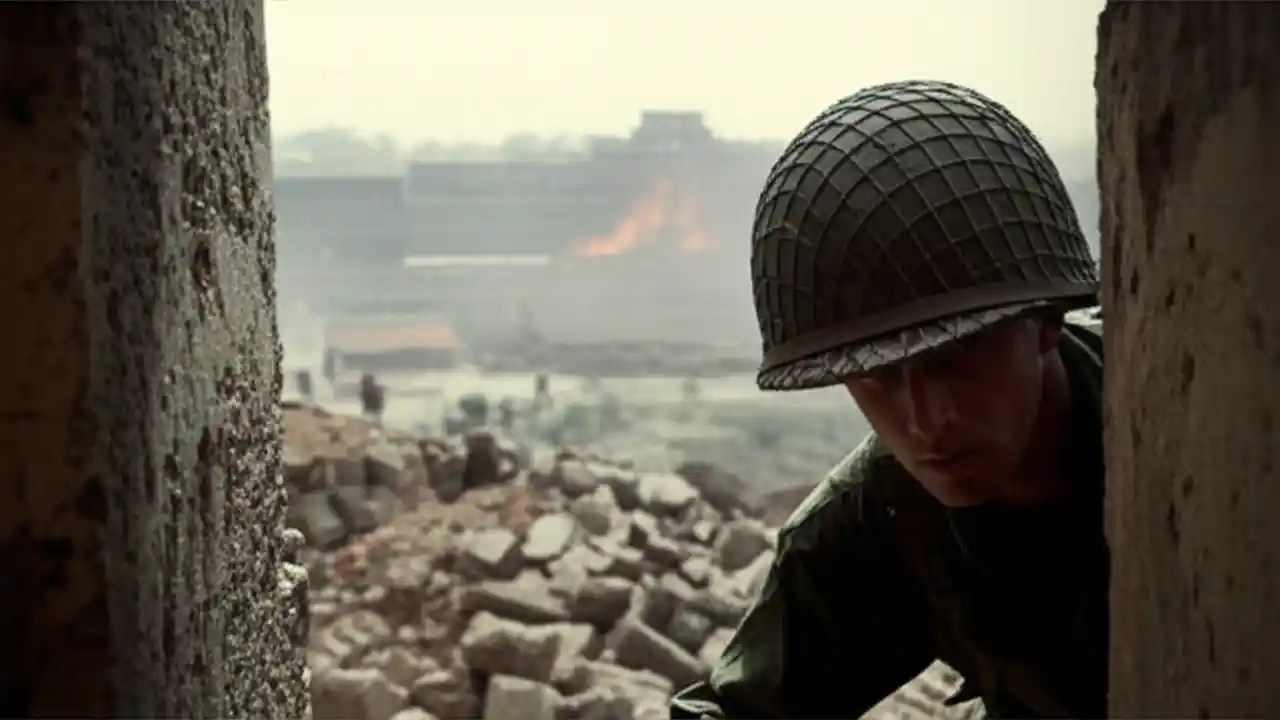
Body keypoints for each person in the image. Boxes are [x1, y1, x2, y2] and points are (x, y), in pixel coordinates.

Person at [670, 80, 1108, 719]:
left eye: (953, 359)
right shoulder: (881, 518)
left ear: (1044, 321)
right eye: (878, 376)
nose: (926, 422)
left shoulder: (1182, 422)